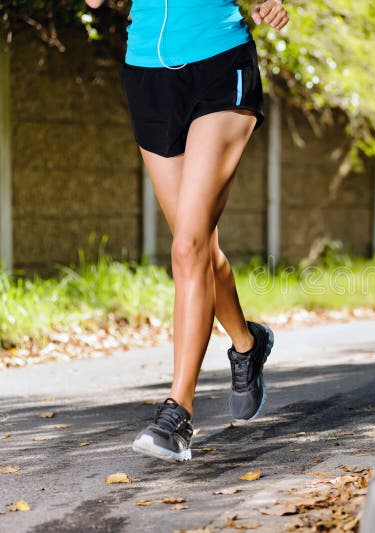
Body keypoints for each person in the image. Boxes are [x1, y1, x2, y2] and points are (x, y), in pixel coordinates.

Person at [83, 0, 289, 461]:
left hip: (220, 64)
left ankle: (177, 416)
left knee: (187, 246)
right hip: (148, 76)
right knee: (197, 246)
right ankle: (247, 343)